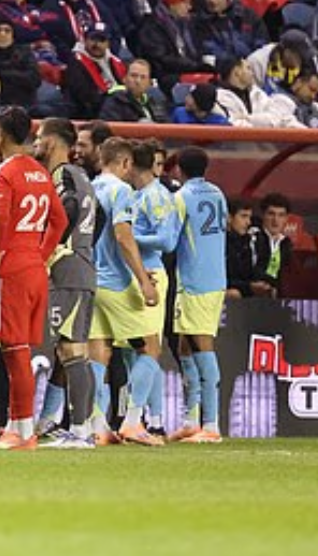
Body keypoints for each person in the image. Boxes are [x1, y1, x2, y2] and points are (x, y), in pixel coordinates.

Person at [0, 107, 69, 450]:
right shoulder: (41, 172)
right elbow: (59, 221)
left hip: (12, 270)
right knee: (19, 349)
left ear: (0, 133)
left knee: (14, 350)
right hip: (33, 268)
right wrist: (41, 255)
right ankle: (18, 426)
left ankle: (23, 430)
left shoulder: (3, 172)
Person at [31, 119, 99, 449]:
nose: (36, 143)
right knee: (71, 349)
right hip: (77, 266)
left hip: (69, 269)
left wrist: (53, 247)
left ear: (55, 142)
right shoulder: (79, 176)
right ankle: (82, 428)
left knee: (72, 350)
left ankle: (83, 431)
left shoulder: (63, 175)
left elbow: (68, 208)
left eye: (40, 138)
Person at [86, 138, 158, 445]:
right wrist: (142, 278)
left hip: (89, 280)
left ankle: (98, 426)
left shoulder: (88, 187)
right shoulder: (121, 191)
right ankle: (132, 421)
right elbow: (123, 235)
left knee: (98, 353)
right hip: (115, 282)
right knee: (151, 346)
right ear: (125, 163)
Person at [119, 140, 179, 442]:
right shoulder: (137, 194)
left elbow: (167, 241)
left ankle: (144, 418)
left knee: (148, 347)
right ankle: (144, 418)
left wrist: (131, 237)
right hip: (133, 274)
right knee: (135, 350)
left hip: (151, 274)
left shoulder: (157, 196)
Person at [169, 146, 228, 443]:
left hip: (196, 280)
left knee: (203, 346)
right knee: (185, 347)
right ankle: (191, 419)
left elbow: (170, 238)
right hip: (215, 276)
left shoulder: (180, 197)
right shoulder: (218, 194)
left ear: (179, 169)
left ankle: (212, 424)